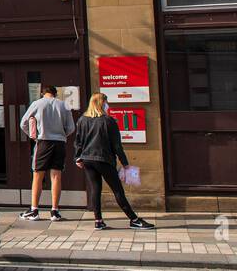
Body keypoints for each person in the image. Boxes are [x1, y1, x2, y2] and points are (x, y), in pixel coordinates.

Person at [75, 93, 153, 230]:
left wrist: (77, 157)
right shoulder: (108, 121)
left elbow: (78, 141)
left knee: (95, 190)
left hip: (87, 160)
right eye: (106, 102)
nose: (108, 105)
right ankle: (134, 219)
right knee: (117, 190)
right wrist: (125, 163)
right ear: (101, 103)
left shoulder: (82, 120)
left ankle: (98, 220)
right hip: (103, 159)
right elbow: (117, 145)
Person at [18, 85, 75, 222]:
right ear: (55, 93)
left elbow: (23, 123)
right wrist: (62, 135)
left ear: (43, 93)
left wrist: (34, 135)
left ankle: (34, 210)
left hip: (43, 142)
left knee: (38, 175)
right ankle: (54, 211)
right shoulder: (64, 105)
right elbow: (71, 127)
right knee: (56, 176)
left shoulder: (37, 103)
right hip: (59, 143)